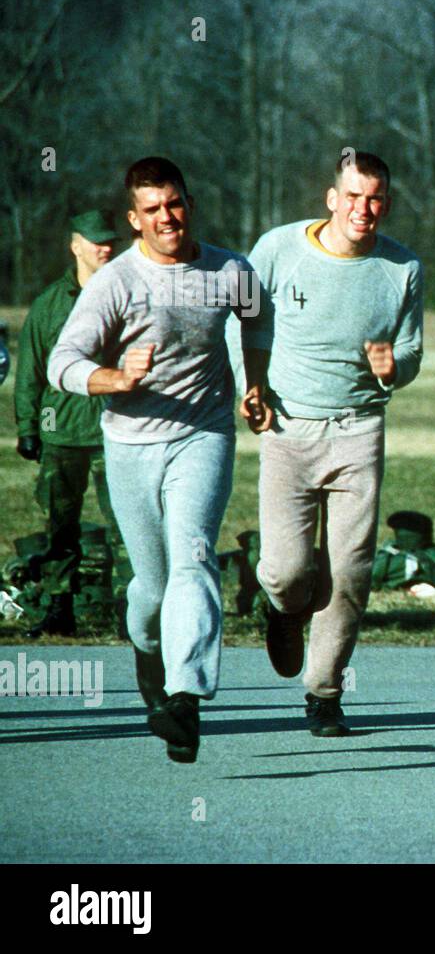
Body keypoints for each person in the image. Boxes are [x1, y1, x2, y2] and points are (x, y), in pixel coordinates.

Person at [47, 157, 266, 763]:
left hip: (204, 434)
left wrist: (256, 384)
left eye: (175, 204)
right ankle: (146, 642)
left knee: (194, 553)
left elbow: (257, 324)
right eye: (152, 210)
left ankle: (186, 697)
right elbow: (61, 362)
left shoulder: (230, 269)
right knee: (154, 582)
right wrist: (114, 378)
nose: (167, 217)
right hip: (131, 444)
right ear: (134, 219)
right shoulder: (115, 281)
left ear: (189, 203)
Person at [240, 151, 424, 738]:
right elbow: (244, 322)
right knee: (288, 571)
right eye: (352, 196)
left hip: (359, 428)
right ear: (330, 197)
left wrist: (394, 367)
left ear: (386, 205)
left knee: (349, 573)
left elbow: (412, 350)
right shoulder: (277, 250)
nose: (362, 209)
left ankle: (324, 692)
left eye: (374, 199)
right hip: (288, 428)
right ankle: (284, 607)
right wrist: (250, 385)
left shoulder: (401, 268)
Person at [14, 210, 130, 638]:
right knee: (60, 527)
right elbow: (31, 370)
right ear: (75, 244)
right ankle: (60, 605)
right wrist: (27, 427)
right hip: (61, 430)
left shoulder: (126, 292)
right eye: (95, 241)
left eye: (110, 241)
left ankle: (129, 612)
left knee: (125, 525)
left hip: (114, 429)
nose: (105, 247)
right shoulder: (49, 305)